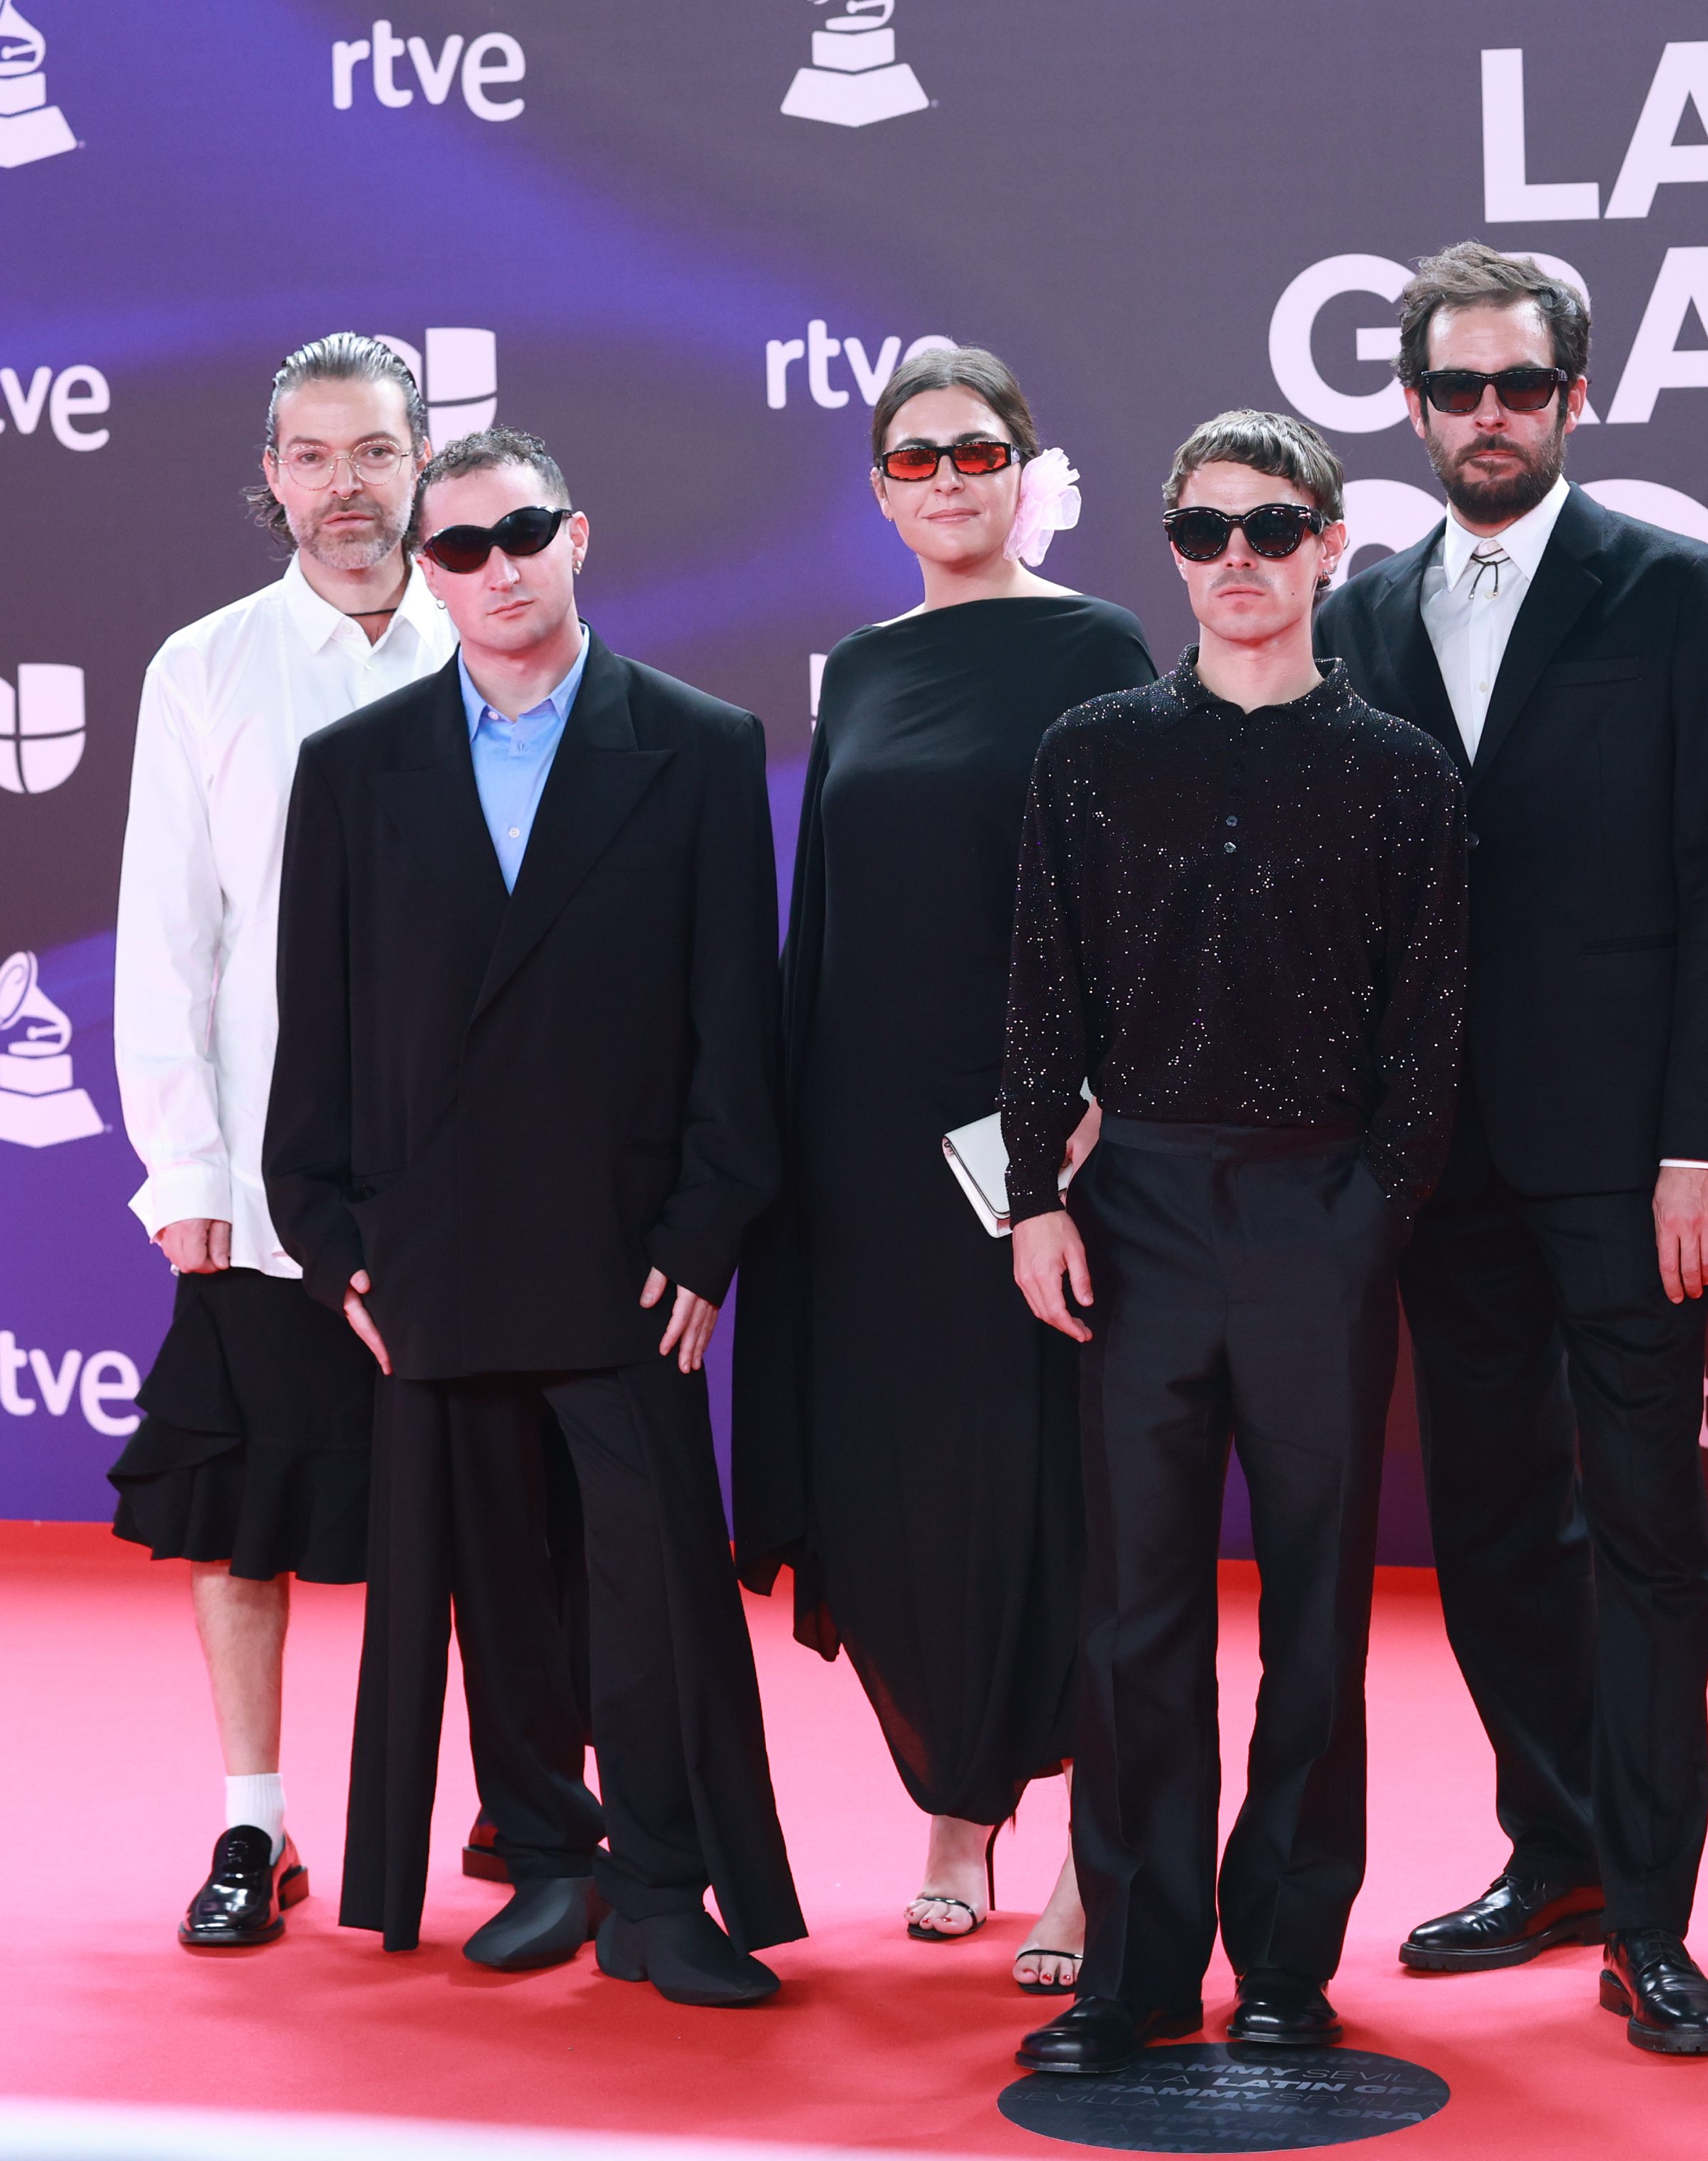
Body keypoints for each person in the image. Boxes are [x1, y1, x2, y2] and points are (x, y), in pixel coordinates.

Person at [265, 425, 806, 2005]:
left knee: (652, 1585)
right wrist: (326, 1232)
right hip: (432, 1251)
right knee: (492, 1576)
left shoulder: (697, 744)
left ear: (580, 537)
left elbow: (735, 1019)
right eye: (459, 549)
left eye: (522, 537)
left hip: (628, 1250)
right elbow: (323, 1025)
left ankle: (659, 1884)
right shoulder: (352, 771)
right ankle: (551, 1857)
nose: (495, 571)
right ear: (424, 574)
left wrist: (708, 1230)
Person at [1317, 242, 1708, 2057]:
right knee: (1496, 1524)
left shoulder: (1667, 591)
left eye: (1519, 385)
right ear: (1415, 409)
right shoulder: (1358, 610)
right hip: (1437, 1163)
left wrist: (1703, 1142)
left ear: (1574, 398)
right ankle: (1558, 1848)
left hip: (1626, 1155)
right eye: (1454, 389)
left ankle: (1654, 1919)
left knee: (1647, 1529)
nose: (1486, 416)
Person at [1004, 411, 1467, 2077]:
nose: (1241, 562)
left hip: (1315, 1217)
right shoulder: (1091, 752)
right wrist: (1034, 1203)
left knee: (1317, 1620)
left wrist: (1369, 1215)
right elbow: (1037, 998)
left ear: (1332, 542)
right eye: (1207, 533)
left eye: (1274, 527)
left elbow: (1429, 1035)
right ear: (1173, 552)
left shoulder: (1403, 772)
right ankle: (1128, 1967)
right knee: (1133, 1613)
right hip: (1129, 1217)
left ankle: (1285, 1959)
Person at [731, 346, 1152, 1993]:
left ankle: (1078, 1857)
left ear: (1027, 468)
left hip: (1031, 1138)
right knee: (896, 1482)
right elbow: (823, 911)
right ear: (882, 487)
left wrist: (1095, 1093)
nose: (950, 479)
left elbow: (1125, 881)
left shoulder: (1093, 643)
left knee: (1052, 1481)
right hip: (864, 1144)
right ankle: (955, 1807)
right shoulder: (866, 671)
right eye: (916, 459)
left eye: (978, 450)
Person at [108, 333, 456, 1949]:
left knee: (483, 1523)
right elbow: (163, 940)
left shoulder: (501, 636)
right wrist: (186, 1174)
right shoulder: (207, 667)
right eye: (312, 457)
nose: (346, 487)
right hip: (263, 1185)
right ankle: (255, 1826)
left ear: (422, 461)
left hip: (473, 1186)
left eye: (374, 453)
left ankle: (522, 1813)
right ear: (272, 477)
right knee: (244, 1523)